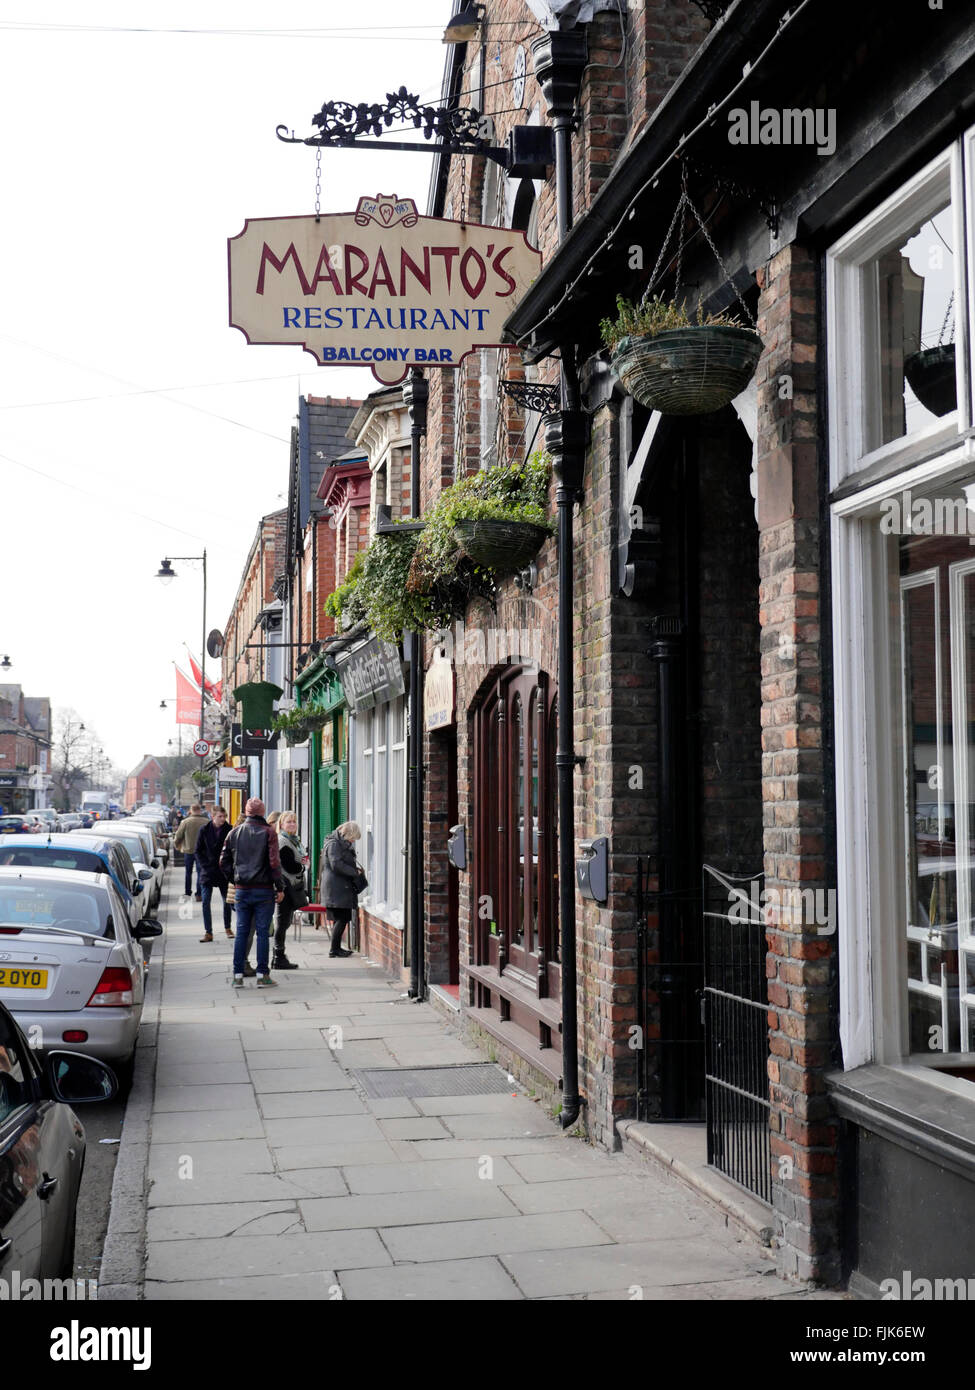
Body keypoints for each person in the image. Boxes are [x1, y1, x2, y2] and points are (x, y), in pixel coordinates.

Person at [220, 797, 284, 989]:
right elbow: (274, 863)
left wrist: (235, 878)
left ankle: (237, 976)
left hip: (242, 891)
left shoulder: (234, 832)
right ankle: (262, 975)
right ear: (262, 812)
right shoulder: (269, 833)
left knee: (241, 932)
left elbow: (223, 861)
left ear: (247, 812)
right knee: (263, 933)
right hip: (264, 890)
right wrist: (279, 887)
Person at [320, 821, 363, 958]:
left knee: (342, 918)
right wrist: (354, 872)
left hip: (338, 887)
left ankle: (336, 948)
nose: (353, 841)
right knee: (342, 918)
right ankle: (334, 949)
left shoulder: (338, 843)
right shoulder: (334, 844)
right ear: (347, 833)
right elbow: (336, 864)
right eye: (353, 837)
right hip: (336, 887)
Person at [273, 810, 305, 970]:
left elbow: (300, 860)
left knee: (284, 922)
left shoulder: (294, 841)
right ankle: (278, 957)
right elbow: (291, 867)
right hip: (285, 887)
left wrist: (302, 863)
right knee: (282, 921)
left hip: (291, 886)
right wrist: (303, 865)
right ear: (281, 825)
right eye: (289, 822)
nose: (292, 824)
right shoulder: (283, 842)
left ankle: (279, 956)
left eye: (294, 821)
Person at [196, 804, 233, 943]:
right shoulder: (204, 830)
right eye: (220, 816)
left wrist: (228, 866)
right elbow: (198, 850)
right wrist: (205, 865)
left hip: (223, 872)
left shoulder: (230, 829)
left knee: (227, 901)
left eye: (224, 816)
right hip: (208, 871)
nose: (223, 819)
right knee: (205, 902)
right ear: (213, 817)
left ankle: (228, 928)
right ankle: (208, 932)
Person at [173, 802, 209, 899]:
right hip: (201, 852)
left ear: (191, 811)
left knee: (188, 872)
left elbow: (178, 836)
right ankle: (199, 894)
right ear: (200, 810)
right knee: (200, 872)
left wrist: (177, 845)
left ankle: (188, 892)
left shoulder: (185, 822)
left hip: (188, 850)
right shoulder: (206, 821)